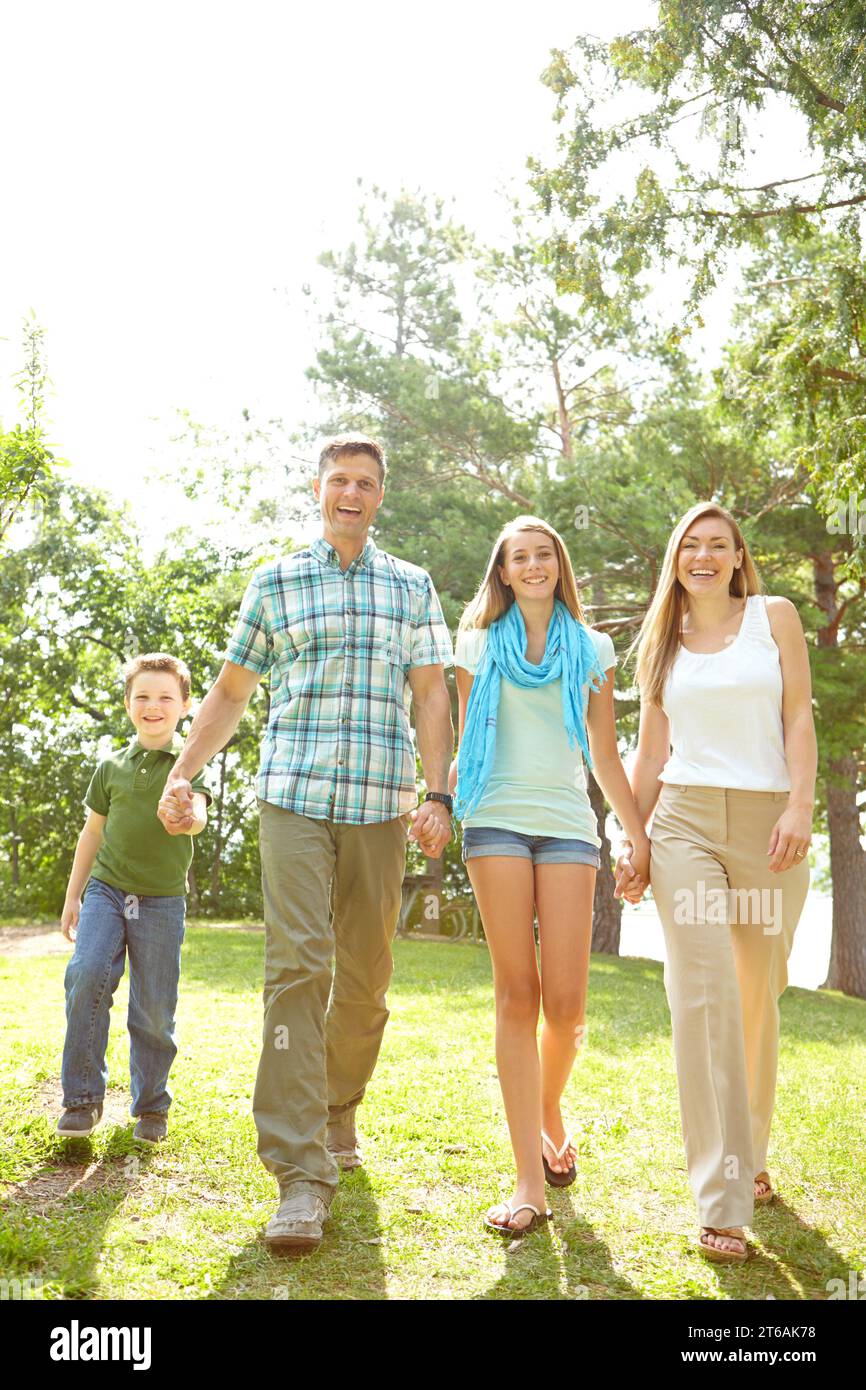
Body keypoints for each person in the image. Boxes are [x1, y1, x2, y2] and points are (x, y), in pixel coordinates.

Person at [159, 433, 454, 1253]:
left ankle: (336, 1108)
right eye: (338, 481)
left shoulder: (411, 586)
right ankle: (297, 1171)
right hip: (292, 798)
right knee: (297, 967)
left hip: (379, 806)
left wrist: (438, 794)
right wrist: (181, 773)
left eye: (364, 483)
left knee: (365, 978)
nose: (350, 494)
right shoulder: (277, 582)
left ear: (379, 496)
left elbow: (431, 693)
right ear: (318, 491)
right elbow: (228, 692)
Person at [615, 501, 815, 1263]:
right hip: (687, 826)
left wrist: (800, 804)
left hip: (770, 829)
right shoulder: (662, 643)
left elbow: (798, 715)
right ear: (675, 559)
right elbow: (650, 751)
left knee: (755, 995)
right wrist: (634, 841)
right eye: (690, 546)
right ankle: (723, 1194)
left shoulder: (776, 618)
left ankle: (751, 1150)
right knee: (703, 994)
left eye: (717, 545)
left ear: (738, 556)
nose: (703, 556)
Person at [450, 516, 650, 1235]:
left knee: (566, 1008)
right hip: (495, 819)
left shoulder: (593, 648)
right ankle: (527, 1182)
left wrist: (634, 830)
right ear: (503, 572)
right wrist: (441, 799)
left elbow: (602, 748)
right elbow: (468, 733)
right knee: (518, 995)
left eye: (543, 556)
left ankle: (548, 1106)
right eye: (519, 558)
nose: (532, 566)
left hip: (568, 823)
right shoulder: (475, 643)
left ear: (559, 567)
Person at [58, 653, 211, 1144]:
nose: (153, 705)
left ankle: (150, 1108)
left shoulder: (189, 766)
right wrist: (73, 895)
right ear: (128, 705)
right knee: (86, 976)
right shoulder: (110, 767)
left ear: (184, 706)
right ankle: (82, 1101)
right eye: (142, 696)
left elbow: (201, 812)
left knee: (153, 1008)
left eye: (166, 697)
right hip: (106, 889)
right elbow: (92, 832)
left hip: (162, 901)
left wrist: (189, 816)